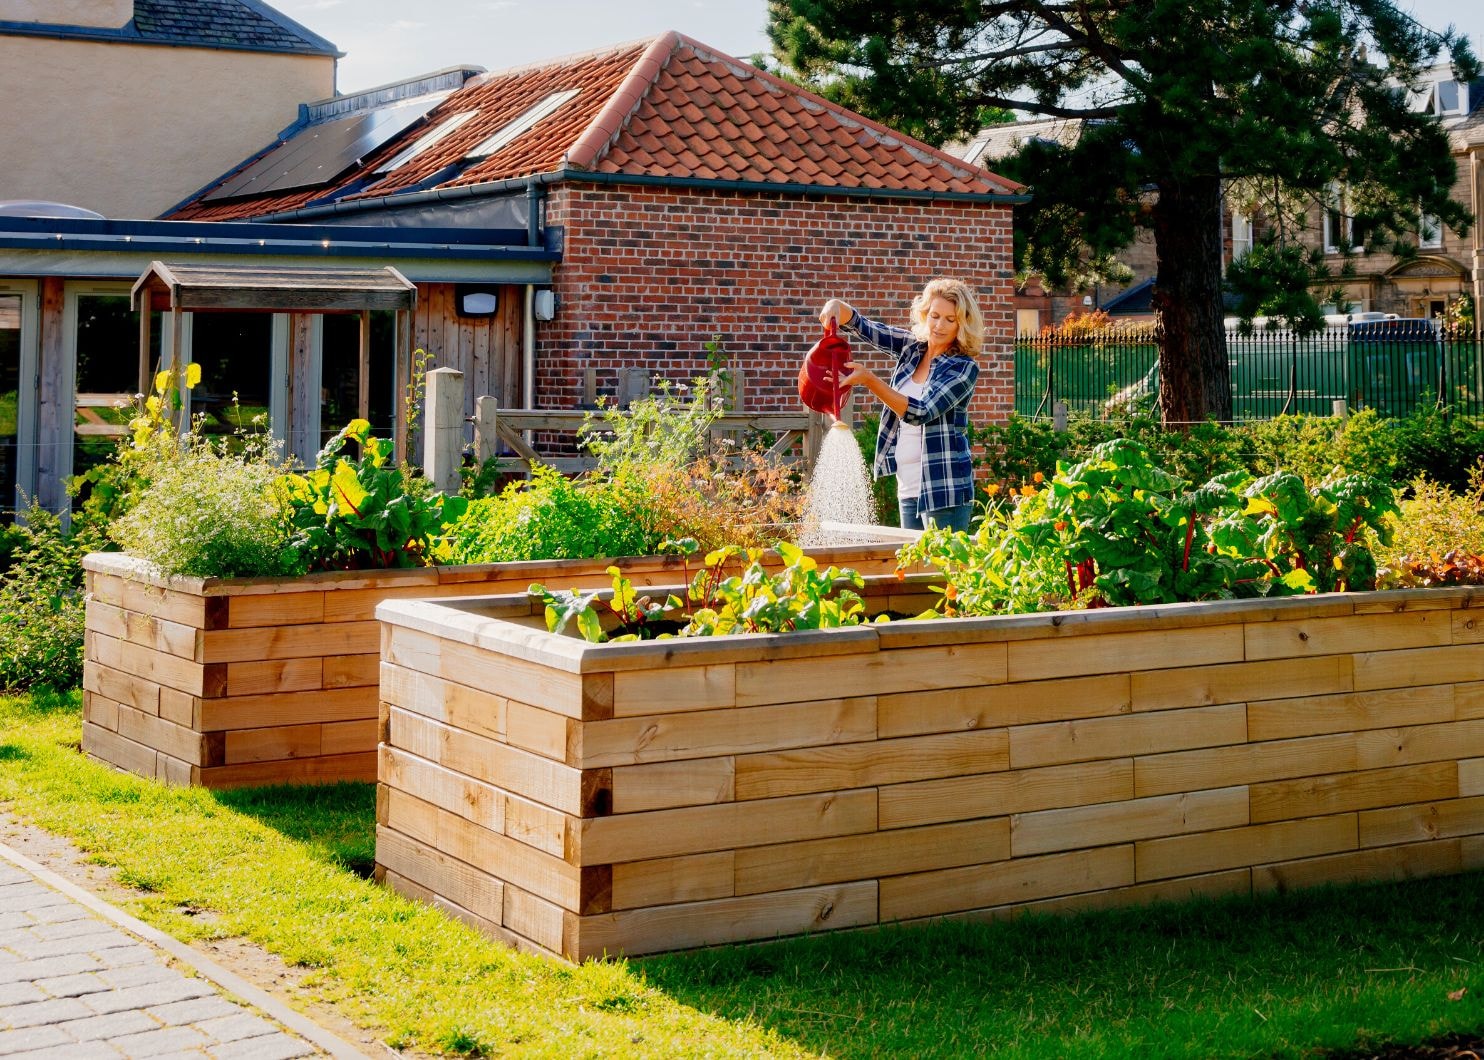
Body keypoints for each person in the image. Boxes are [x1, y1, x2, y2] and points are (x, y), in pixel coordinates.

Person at [819, 278, 984, 531]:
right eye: (934, 315)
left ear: (962, 324)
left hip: (944, 489)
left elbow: (920, 411)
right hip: (907, 486)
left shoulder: (963, 368)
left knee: (940, 558)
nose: (939, 325)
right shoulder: (912, 348)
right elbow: (866, 328)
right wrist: (837, 307)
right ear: (925, 314)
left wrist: (869, 380)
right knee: (911, 558)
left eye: (950, 320)